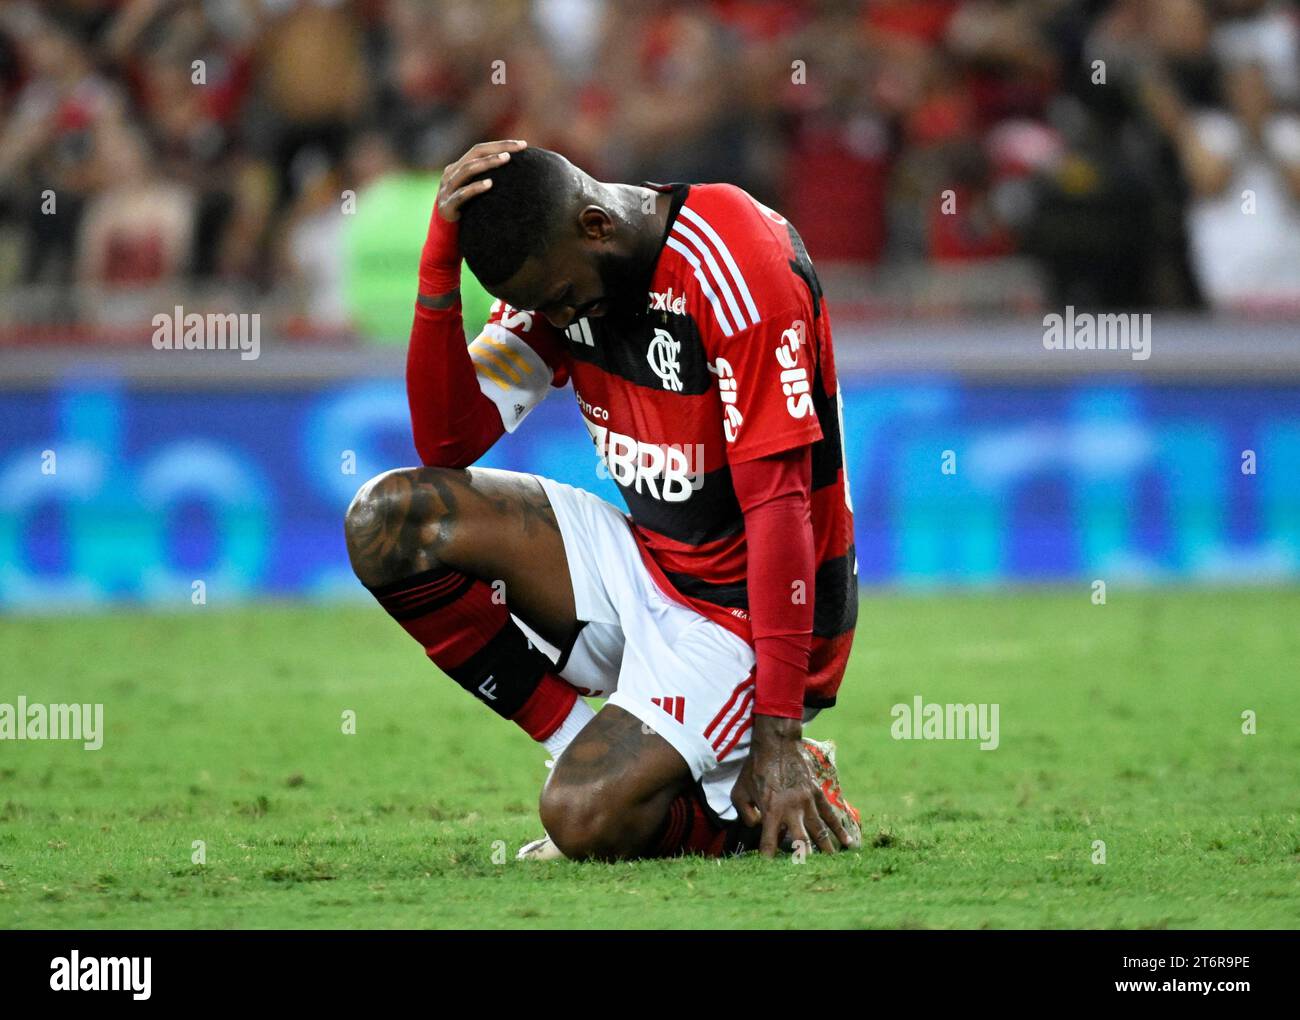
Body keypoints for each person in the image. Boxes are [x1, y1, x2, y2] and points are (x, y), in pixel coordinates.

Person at [344, 140, 860, 860]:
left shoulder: (737, 262)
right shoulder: (558, 276)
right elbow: (448, 444)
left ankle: (757, 809)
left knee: (582, 819)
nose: (554, 317)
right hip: (646, 564)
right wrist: (439, 264)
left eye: (558, 300)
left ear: (596, 225)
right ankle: (577, 747)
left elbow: (781, 508)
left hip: (749, 615)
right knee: (389, 520)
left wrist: (780, 736)